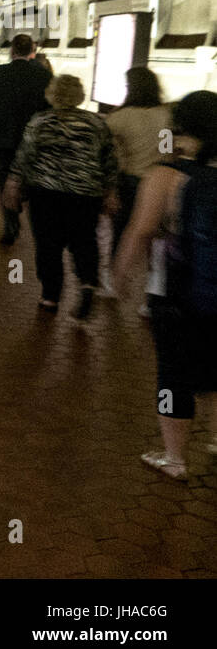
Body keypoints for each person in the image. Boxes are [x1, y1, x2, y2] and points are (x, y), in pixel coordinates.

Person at [112, 90, 217, 480]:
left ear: (181, 126)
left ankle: (175, 458)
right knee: (213, 368)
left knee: (173, 373)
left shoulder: (165, 175)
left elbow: (140, 232)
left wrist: (119, 278)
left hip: (175, 295)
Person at [2, 75, 118, 320]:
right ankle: (87, 282)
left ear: (52, 94)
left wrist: (13, 184)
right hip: (86, 193)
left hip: (45, 192)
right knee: (84, 240)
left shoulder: (40, 120)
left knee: (48, 244)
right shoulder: (95, 123)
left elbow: (24, 156)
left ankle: (50, 296)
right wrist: (110, 190)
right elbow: (108, 159)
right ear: (79, 95)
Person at [0, 34, 52, 245]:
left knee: (5, 182)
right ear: (31, 51)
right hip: (35, 142)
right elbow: (50, 109)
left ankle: (11, 226)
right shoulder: (43, 75)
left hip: (3, 138)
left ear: (12, 50)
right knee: (33, 181)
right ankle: (36, 226)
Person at [105, 67, 172, 255]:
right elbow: (167, 152)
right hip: (158, 182)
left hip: (130, 182)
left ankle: (118, 273)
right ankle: (149, 274)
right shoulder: (166, 116)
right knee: (152, 233)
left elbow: (107, 151)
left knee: (123, 231)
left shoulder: (120, 117)